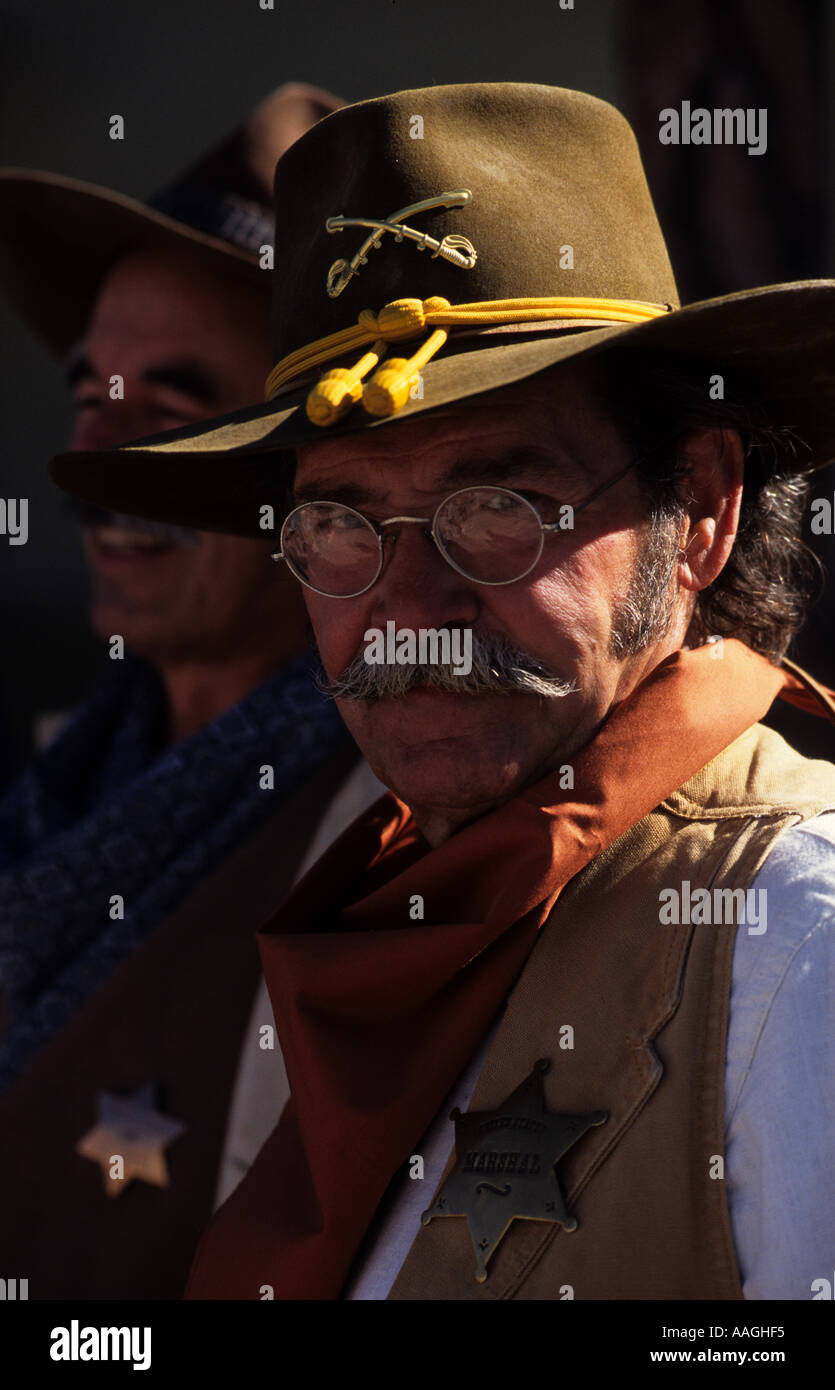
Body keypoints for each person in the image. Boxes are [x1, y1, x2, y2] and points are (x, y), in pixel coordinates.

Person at [52, 82, 835, 1300]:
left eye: (498, 508)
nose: (408, 608)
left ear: (702, 512)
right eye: (340, 522)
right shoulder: (397, 904)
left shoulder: (798, 936)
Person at [0, 83, 385, 1300]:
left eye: (176, 407)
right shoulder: (66, 772)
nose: (95, 464)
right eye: (88, 396)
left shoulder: (391, 826)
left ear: (323, 481)